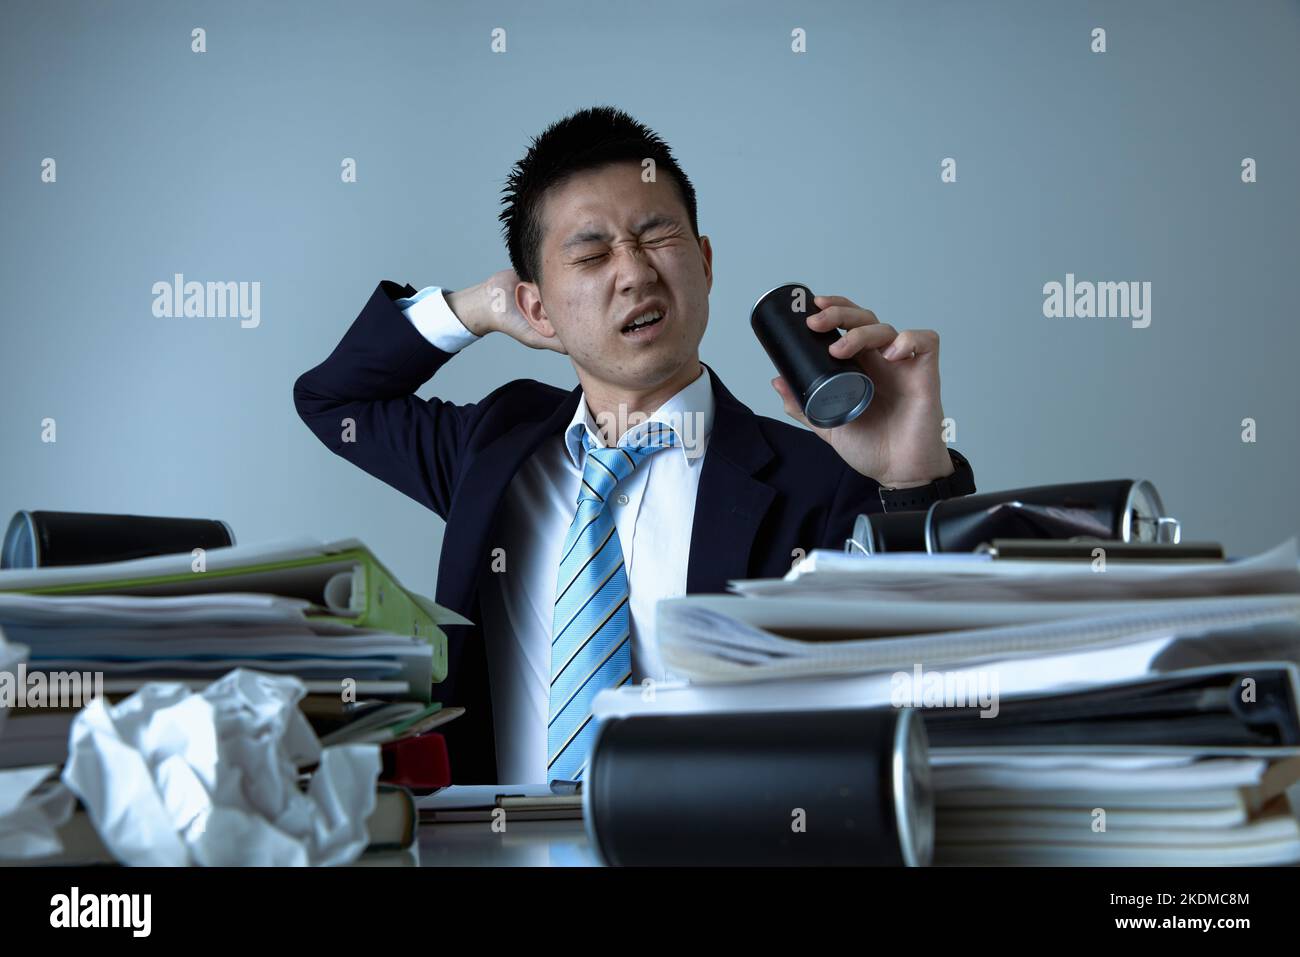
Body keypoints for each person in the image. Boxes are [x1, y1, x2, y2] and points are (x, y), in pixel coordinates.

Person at [294, 105, 975, 784]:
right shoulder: (494, 450)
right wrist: (478, 307)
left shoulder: (821, 479)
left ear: (705, 264)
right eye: (591, 254)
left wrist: (911, 475)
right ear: (538, 308)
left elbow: (940, 692)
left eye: (657, 237)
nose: (635, 273)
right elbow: (336, 399)